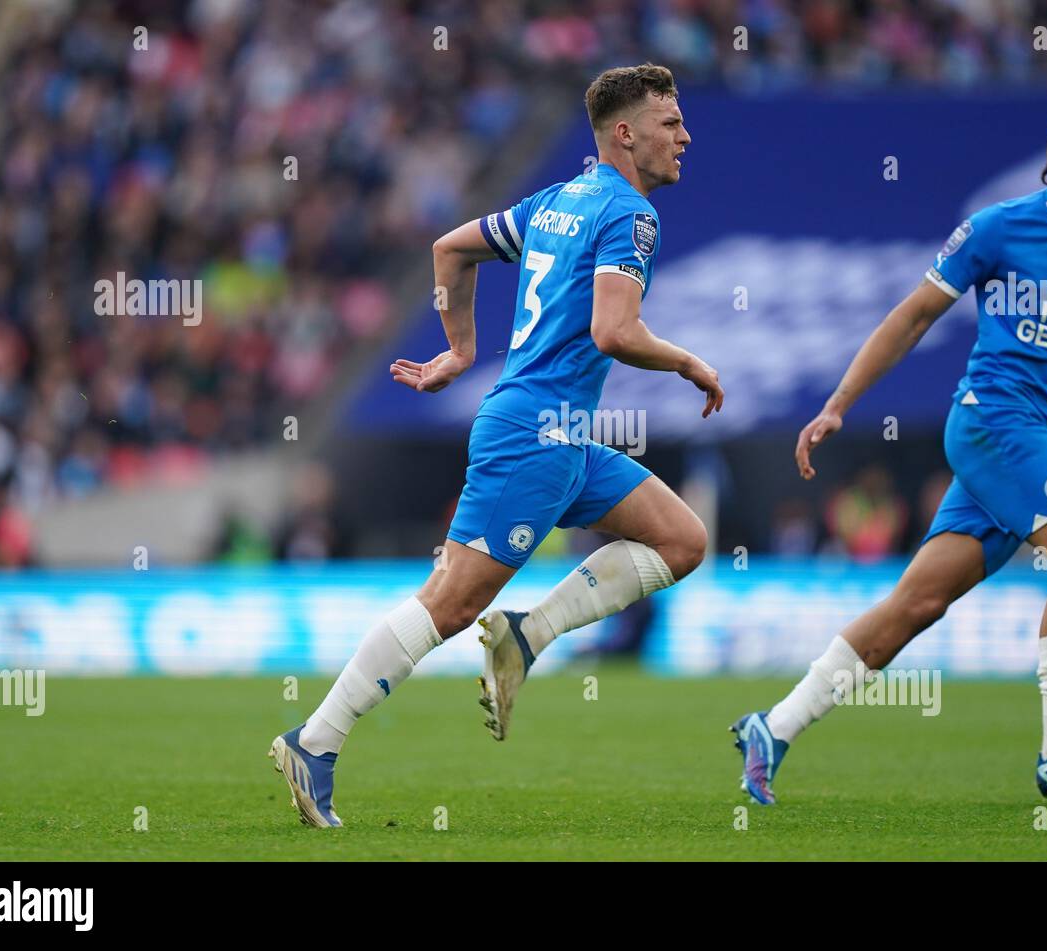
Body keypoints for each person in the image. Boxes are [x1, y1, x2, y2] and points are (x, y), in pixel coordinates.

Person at [732, 92, 1047, 805]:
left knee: (918, 603)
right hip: (993, 422)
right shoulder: (997, 228)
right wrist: (838, 404)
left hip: (1031, 442)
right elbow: (912, 317)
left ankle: (774, 724)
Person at [268, 63, 722, 827]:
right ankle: (315, 739)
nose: (684, 135)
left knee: (682, 539)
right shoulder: (631, 215)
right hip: (534, 435)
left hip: (562, 436)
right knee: (448, 602)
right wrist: (687, 360)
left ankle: (528, 629)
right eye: (670, 123)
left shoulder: (557, 200)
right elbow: (615, 330)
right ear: (625, 133)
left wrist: (459, 348)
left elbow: (451, 249)